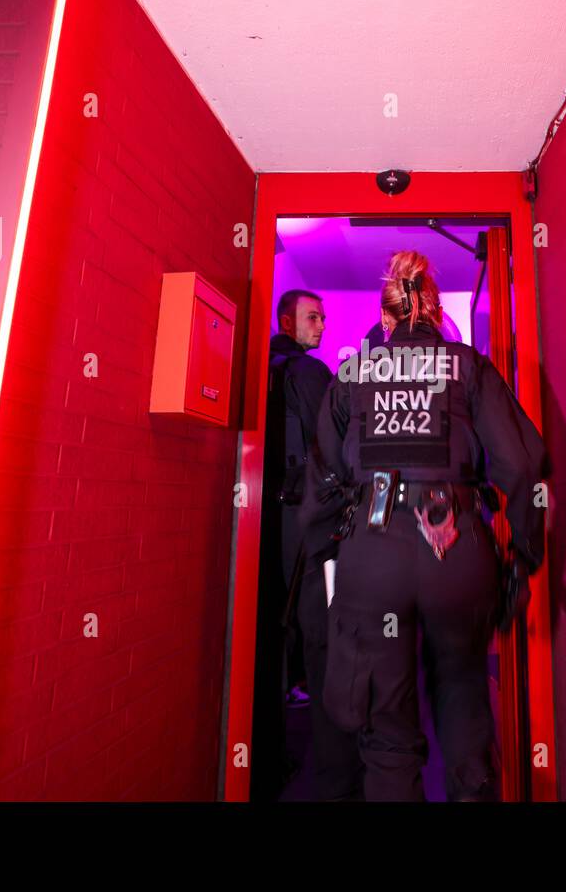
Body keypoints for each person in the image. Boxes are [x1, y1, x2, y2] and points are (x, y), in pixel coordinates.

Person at [300, 250, 547, 801]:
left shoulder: (351, 373)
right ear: (434, 313)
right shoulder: (468, 365)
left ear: (385, 320)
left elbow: (321, 486)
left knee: (386, 732)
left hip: (374, 550)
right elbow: (525, 467)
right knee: (462, 696)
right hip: (456, 550)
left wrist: (326, 570)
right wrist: (522, 560)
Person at [254, 289, 363, 801]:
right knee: (321, 638)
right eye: (313, 317)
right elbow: (341, 445)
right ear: (287, 320)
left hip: (267, 522)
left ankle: (266, 759)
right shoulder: (307, 372)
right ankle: (336, 772)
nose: (321, 325)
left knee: (276, 636)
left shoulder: (266, 368)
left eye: (323, 317)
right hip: (309, 524)